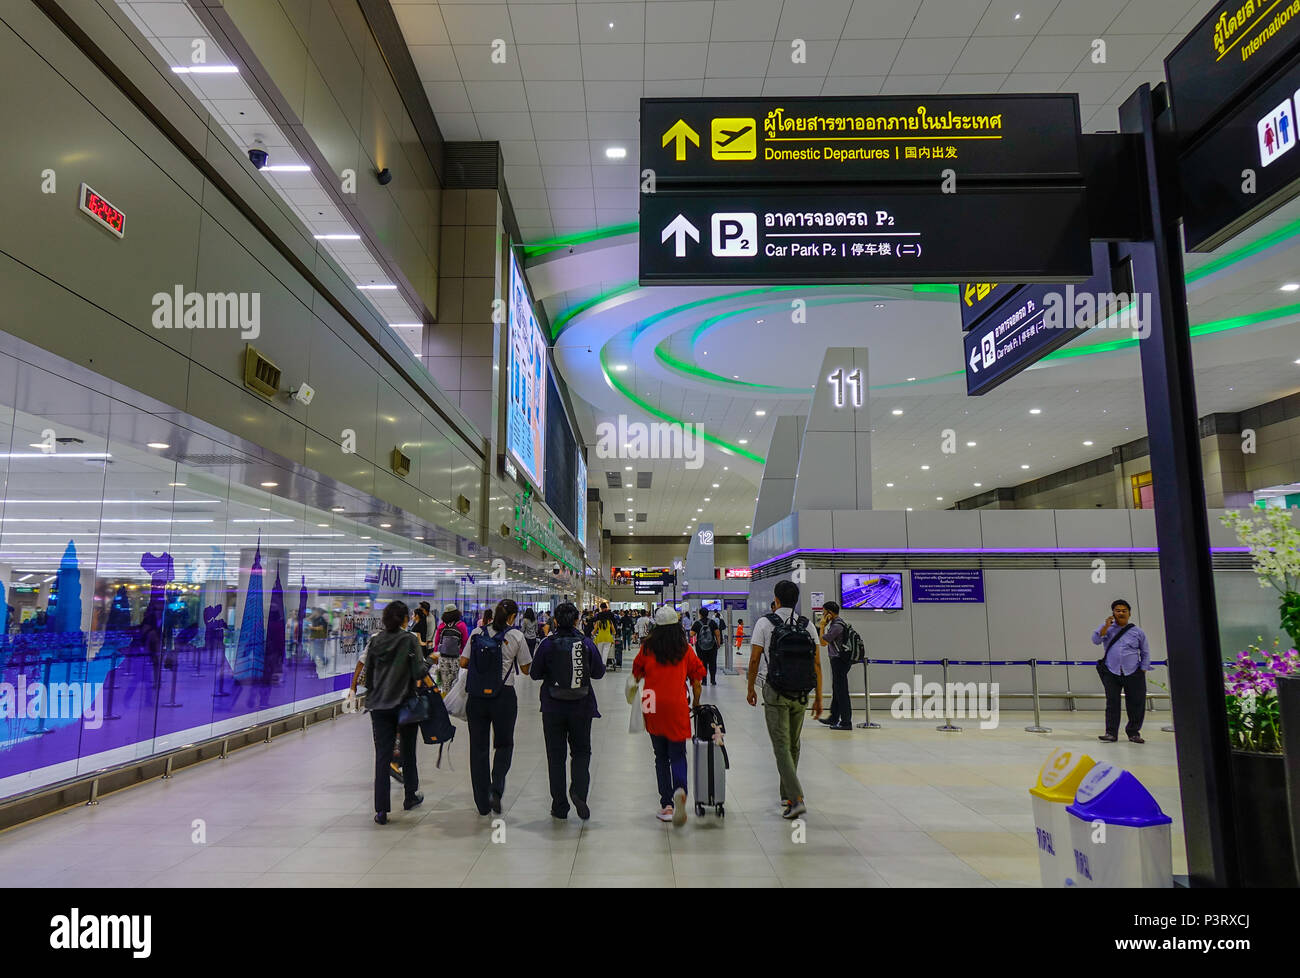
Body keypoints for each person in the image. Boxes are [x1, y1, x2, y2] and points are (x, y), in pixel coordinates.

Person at [747, 581, 822, 820]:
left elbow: (755, 659)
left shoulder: (764, 623)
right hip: (801, 693)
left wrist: (750, 687)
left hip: (776, 691)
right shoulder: (807, 625)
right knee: (793, 744)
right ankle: (786, 795)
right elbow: (817, 663)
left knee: (780, 746)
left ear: (776, 600)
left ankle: (797, 798)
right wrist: (819, 697)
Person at [529, 601, 605, 819]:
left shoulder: (546, 644)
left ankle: (559, 806)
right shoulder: (586, 643)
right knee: (581, 751)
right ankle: (579, 792)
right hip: (582, 706)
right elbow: (599, 673)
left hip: (553, 707)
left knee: (556, 756)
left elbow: (534, 674)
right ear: (576, 620)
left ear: (555, 620)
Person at [357, 600, 430, 824]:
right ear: (405, 619)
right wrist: (429, 661)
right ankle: (410, 796)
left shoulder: (375, 641)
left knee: (382, 756)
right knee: (408, 751)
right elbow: (418, 671)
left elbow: (367, 676)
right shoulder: (409, 640)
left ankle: (381, 810)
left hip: (378, 706)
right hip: (404, 704)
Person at [633, 606, 705, 825]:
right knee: (678, 754)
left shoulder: (647, 648)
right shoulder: (684, 649)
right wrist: (695, 702)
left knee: (660, 756)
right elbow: (697, 678)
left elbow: (636, 674)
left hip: (652, 703)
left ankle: (666, 805)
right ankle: (680, 789)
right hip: (676, 704)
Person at [462, 598, 532, 815]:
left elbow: (463, 662)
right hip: (504, 697)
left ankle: (482, 803)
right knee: (504, 744)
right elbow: (526, 668)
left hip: (477, 698)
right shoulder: (516, 636)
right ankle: (496, 789)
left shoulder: (476, 633)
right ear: (512, 617)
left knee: (478, 748)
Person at [1093, 598, 1152, 743]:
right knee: (1112, 702)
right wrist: (1105, 627)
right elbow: (1095, 640)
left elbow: (1145, 652)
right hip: (1111, 672)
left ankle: (1133, 733)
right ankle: (1111, 733)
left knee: (1136, 703)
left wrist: (1143, 670)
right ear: (1113, 613)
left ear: (1129, 613)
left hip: (1133, 672)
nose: (1121, 613)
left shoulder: (1137, 632)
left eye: (1124, 611)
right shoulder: (1107, 628)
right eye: (1118, 611)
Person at [817, 601, 853, 730]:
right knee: (837, 690)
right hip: (837, 661)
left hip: (839, 661)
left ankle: (846, 722)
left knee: (841, 692)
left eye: (824, 612)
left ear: (829, 613)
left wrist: (821, 626)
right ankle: (834, 717)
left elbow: (822, 642)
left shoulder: (837, 626)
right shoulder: (836, 623)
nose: (822, 614)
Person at [432, 605, 469, 693]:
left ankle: (445, 702)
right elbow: (465, 642)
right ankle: (452, 702)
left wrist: (435, 656)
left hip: (443, 658)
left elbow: (437, 642)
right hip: (456, 658)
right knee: (454, 681)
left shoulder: (441, 626)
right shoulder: (461, 625)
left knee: (445, 683)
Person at [691, 608, 723, 685]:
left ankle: (704, 681)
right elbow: (717, 634)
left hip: (700, 647)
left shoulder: (697, 623)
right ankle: (713, 680)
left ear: (700, 614)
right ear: (708, 613)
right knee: (713, 663)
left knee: (702, 663)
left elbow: (692, 634)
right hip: (712, 646)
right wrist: (718, 644)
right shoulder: (712, 622)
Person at [592, 601, 618, 670]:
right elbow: (614, 629)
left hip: (600, 638)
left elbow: (594, 631)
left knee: (600, 653)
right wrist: (614, 634)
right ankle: (604, 665)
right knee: (605, 653)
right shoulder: (610, 619)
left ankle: (600, 666)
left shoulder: (598, 621)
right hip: (608, 638)